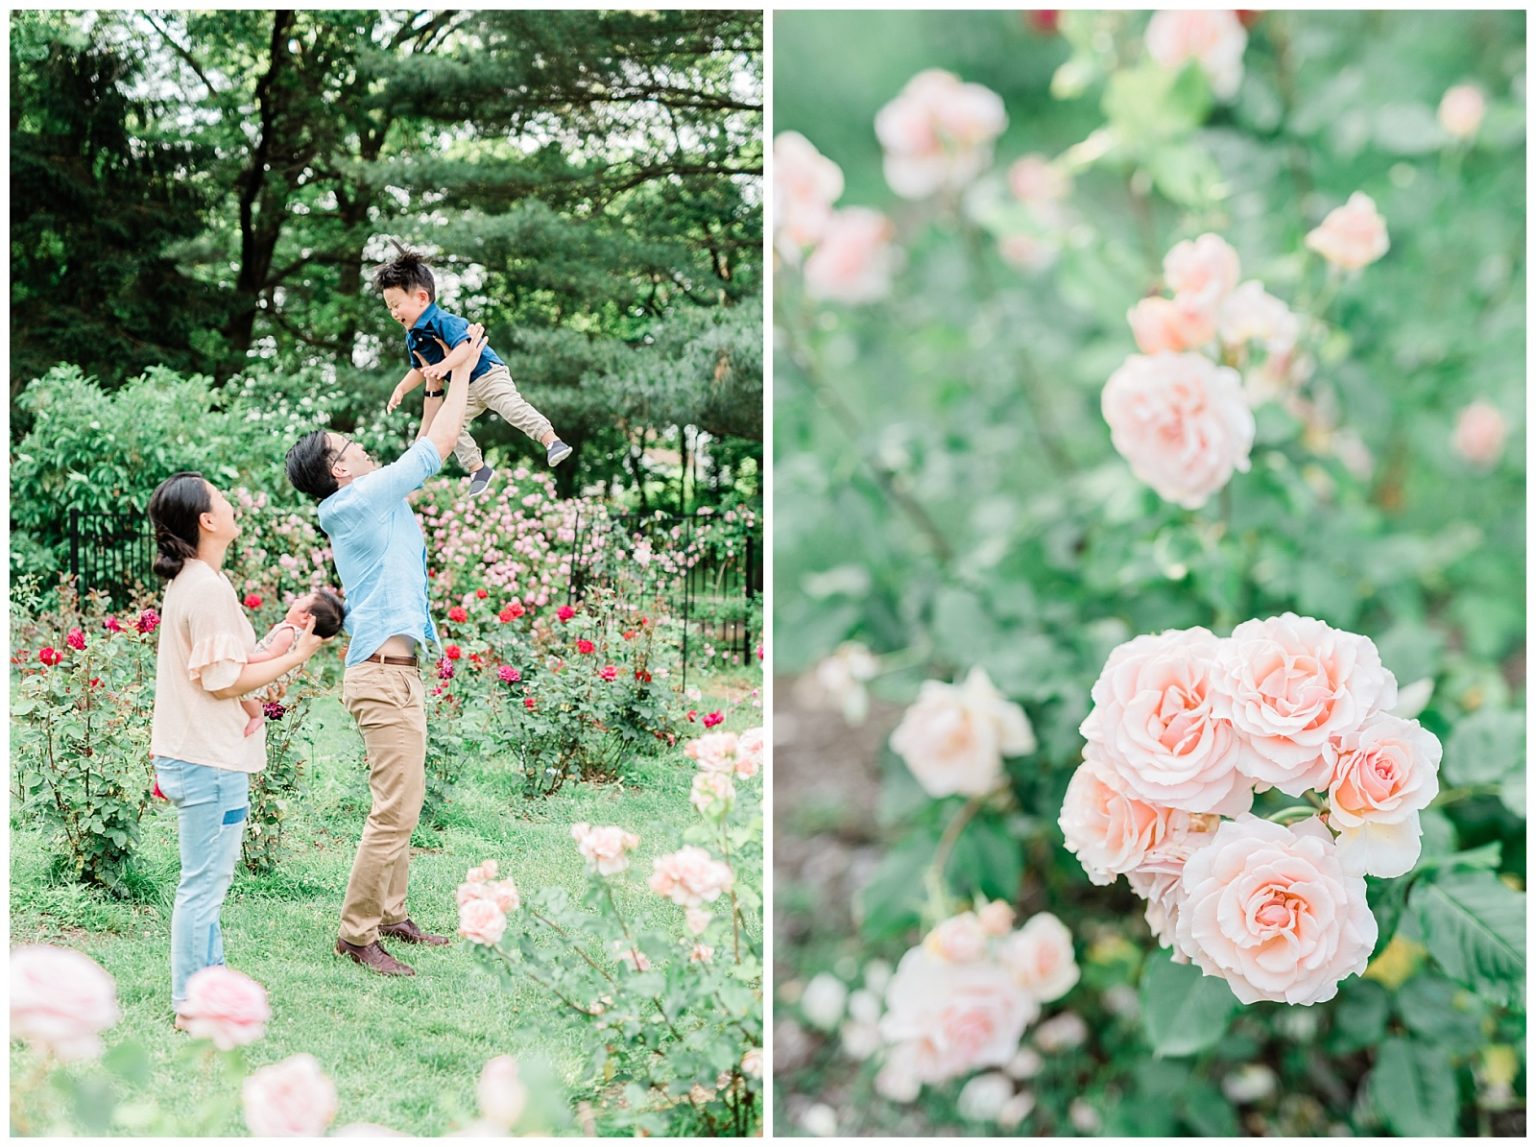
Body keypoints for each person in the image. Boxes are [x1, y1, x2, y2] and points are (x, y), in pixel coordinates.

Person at [284, 325, 489, 977]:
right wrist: (462, 373)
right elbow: (435, 448)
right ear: (339, 469)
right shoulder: (353, 502)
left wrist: (433, 383)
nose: (362, 446)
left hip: (398, 673)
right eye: (349, 445)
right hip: (378, 675)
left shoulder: (374, 499)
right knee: (393, 809)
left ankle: (393, 913)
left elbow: (419, 446)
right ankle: (355, 933)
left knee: (405, 799)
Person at [147, 472, 329, 1026]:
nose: (231, 505)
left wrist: (280, 634)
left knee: (209, 882)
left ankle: (212, 984)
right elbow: (225, 681)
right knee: (203, 886)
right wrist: (300, 655)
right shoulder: (207, 588)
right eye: (222, 499)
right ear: (207, 520)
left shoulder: (197, 583)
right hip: (208, 761)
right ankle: (189, 1004)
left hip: (199, 756)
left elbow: (230, 661)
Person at [377, 240, 571, 497]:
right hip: (464, 387)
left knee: (511, 407)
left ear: (422, 298)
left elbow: (466, 347)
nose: (393, 313)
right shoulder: (413, 336)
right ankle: (478, 469)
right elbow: (418, 369)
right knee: (450, 427)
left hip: (487, 374)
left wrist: (445, 365)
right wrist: (401, 388)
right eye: (389, 307)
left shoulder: (442, 320)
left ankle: (551, 441)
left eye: (396, 305)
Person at [239, 589, 347, 736]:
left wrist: (245, 658)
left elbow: (271, 655)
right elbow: (328, 638)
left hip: (267, 675)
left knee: (247, 694)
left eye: (300, 602)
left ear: (305, 618)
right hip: (276, 677)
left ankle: (256, 716)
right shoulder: (306, 639)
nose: (295, 601)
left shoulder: (288, 632)